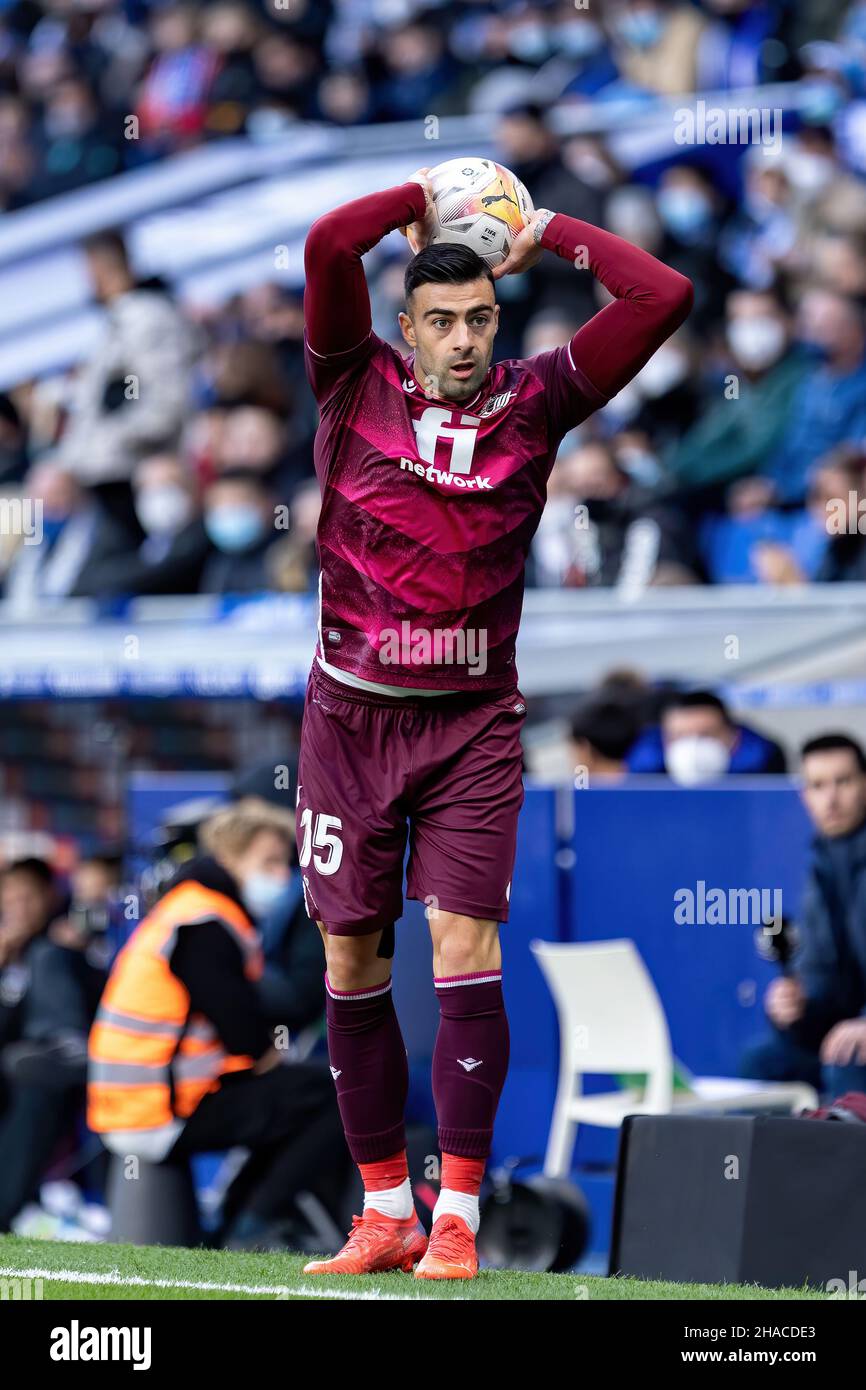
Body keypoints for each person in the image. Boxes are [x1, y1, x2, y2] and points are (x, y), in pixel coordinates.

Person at [297, 167, 692, 1278]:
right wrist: (420, 196)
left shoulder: (540, 398)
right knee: (349, 966)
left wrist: (548, 230)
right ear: (404, 327)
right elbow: (329, 246)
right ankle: (384, 1210)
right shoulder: (348, 382)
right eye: (439, 320)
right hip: (348, 723)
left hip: (470, 726)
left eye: (478, 318)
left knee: (465, 952)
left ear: (496, 318)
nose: (462, 339)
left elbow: (662, 296)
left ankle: (457, 1216)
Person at [87, 802, 346, 1247]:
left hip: (140, 1101)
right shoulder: (205, 918)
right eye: (267, 862)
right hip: (158, 1108)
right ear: (229, 856)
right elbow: (237, 1022)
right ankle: (249, 1222)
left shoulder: (188, 907)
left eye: (282, 863)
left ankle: (236, 1215)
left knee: (294, 1095)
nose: (279, 876)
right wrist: (268, 1056)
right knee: (334, 1096)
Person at [740, 734, 866, 1097]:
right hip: (842, 1035)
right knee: (760, 1064)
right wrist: (795, 1008)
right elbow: (825, 986)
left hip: (856, 1043)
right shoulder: (820, 866)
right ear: (803, 795)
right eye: (818, 785)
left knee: (847, 1063)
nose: (832, 799)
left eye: (843, 782)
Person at [0, 857, 107, 1231]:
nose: (18, 908)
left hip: (62, 1062)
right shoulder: (9, 951)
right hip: (17, 1062)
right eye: (10, 898)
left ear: (48, 897)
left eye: (28, 897)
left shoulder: (61, 946)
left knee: (32, 1077)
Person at [627, 689, 787, 782]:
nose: (693, 745)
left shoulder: (761, 759)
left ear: (733, 735)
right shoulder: (647, 762)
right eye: (679, 736)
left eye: (706, 735)